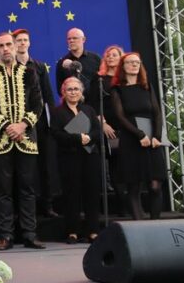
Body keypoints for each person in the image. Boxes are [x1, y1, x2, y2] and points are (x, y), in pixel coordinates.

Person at [0, 33, 45, 250]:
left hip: (26, 138)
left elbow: (38, 103)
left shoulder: (29, 72)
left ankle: (29, 233)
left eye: (9, 44)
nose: (6, 49)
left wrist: (23, 125)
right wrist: (8, 126)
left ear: (16, 46)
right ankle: (5, 234)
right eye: (2, 46)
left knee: (27, 188)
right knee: (2, 190)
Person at [110, 52, 167, 220]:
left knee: (155, 185)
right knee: (134, 186)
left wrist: (156, 136)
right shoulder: (117, 89)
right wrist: (139, 135)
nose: (134, 65)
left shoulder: (147, 85)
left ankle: (155, 224)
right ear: (123, 66)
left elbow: (157, 113)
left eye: (137, 62)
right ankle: (140, 226)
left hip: (152, 140)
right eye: (130, 62)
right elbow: (120, 117)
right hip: (131, 139)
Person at [13, 28, 60, 219]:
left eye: (25, 40)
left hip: (39, 122)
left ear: (29, 43)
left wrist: (51, 122)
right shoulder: (9, 67)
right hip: (19, 123)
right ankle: (22, 208)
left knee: (45, 166)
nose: (22, 43)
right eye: (19, 40)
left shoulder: (39, 67)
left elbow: (48, 96)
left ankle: (47, 205)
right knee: (23, 168)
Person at [51, 77, 102, 243]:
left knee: (92, 193)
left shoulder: (88, 109)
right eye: (70, 89)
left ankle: (93, 230)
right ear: (63, 92)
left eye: (76, 89)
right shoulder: (57, 112)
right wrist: (77, 138)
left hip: (90, 155)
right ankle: (72, 231)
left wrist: (89, 138)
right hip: (69, 157)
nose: (73, 92)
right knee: (72, 195)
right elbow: (56, 134)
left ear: (81, 92)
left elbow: (97, 130)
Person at [97, 44, 125, 214]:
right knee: (115, 165)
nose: (111, 57)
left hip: (127, 127)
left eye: (114, 55)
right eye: (108, 55)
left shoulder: (127, 78)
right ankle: (121, 204)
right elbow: (93, 104)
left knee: (128, 165)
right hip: (110, 127)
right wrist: (103, 123)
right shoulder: (99, 79)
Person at [56, 28, 102, 112]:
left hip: (95, 107)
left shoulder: (96, 59)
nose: (71, 41)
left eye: (75, 38)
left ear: (83, 39)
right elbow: (60, 89)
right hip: (73, 109)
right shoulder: (62, 63)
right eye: (69, 39)